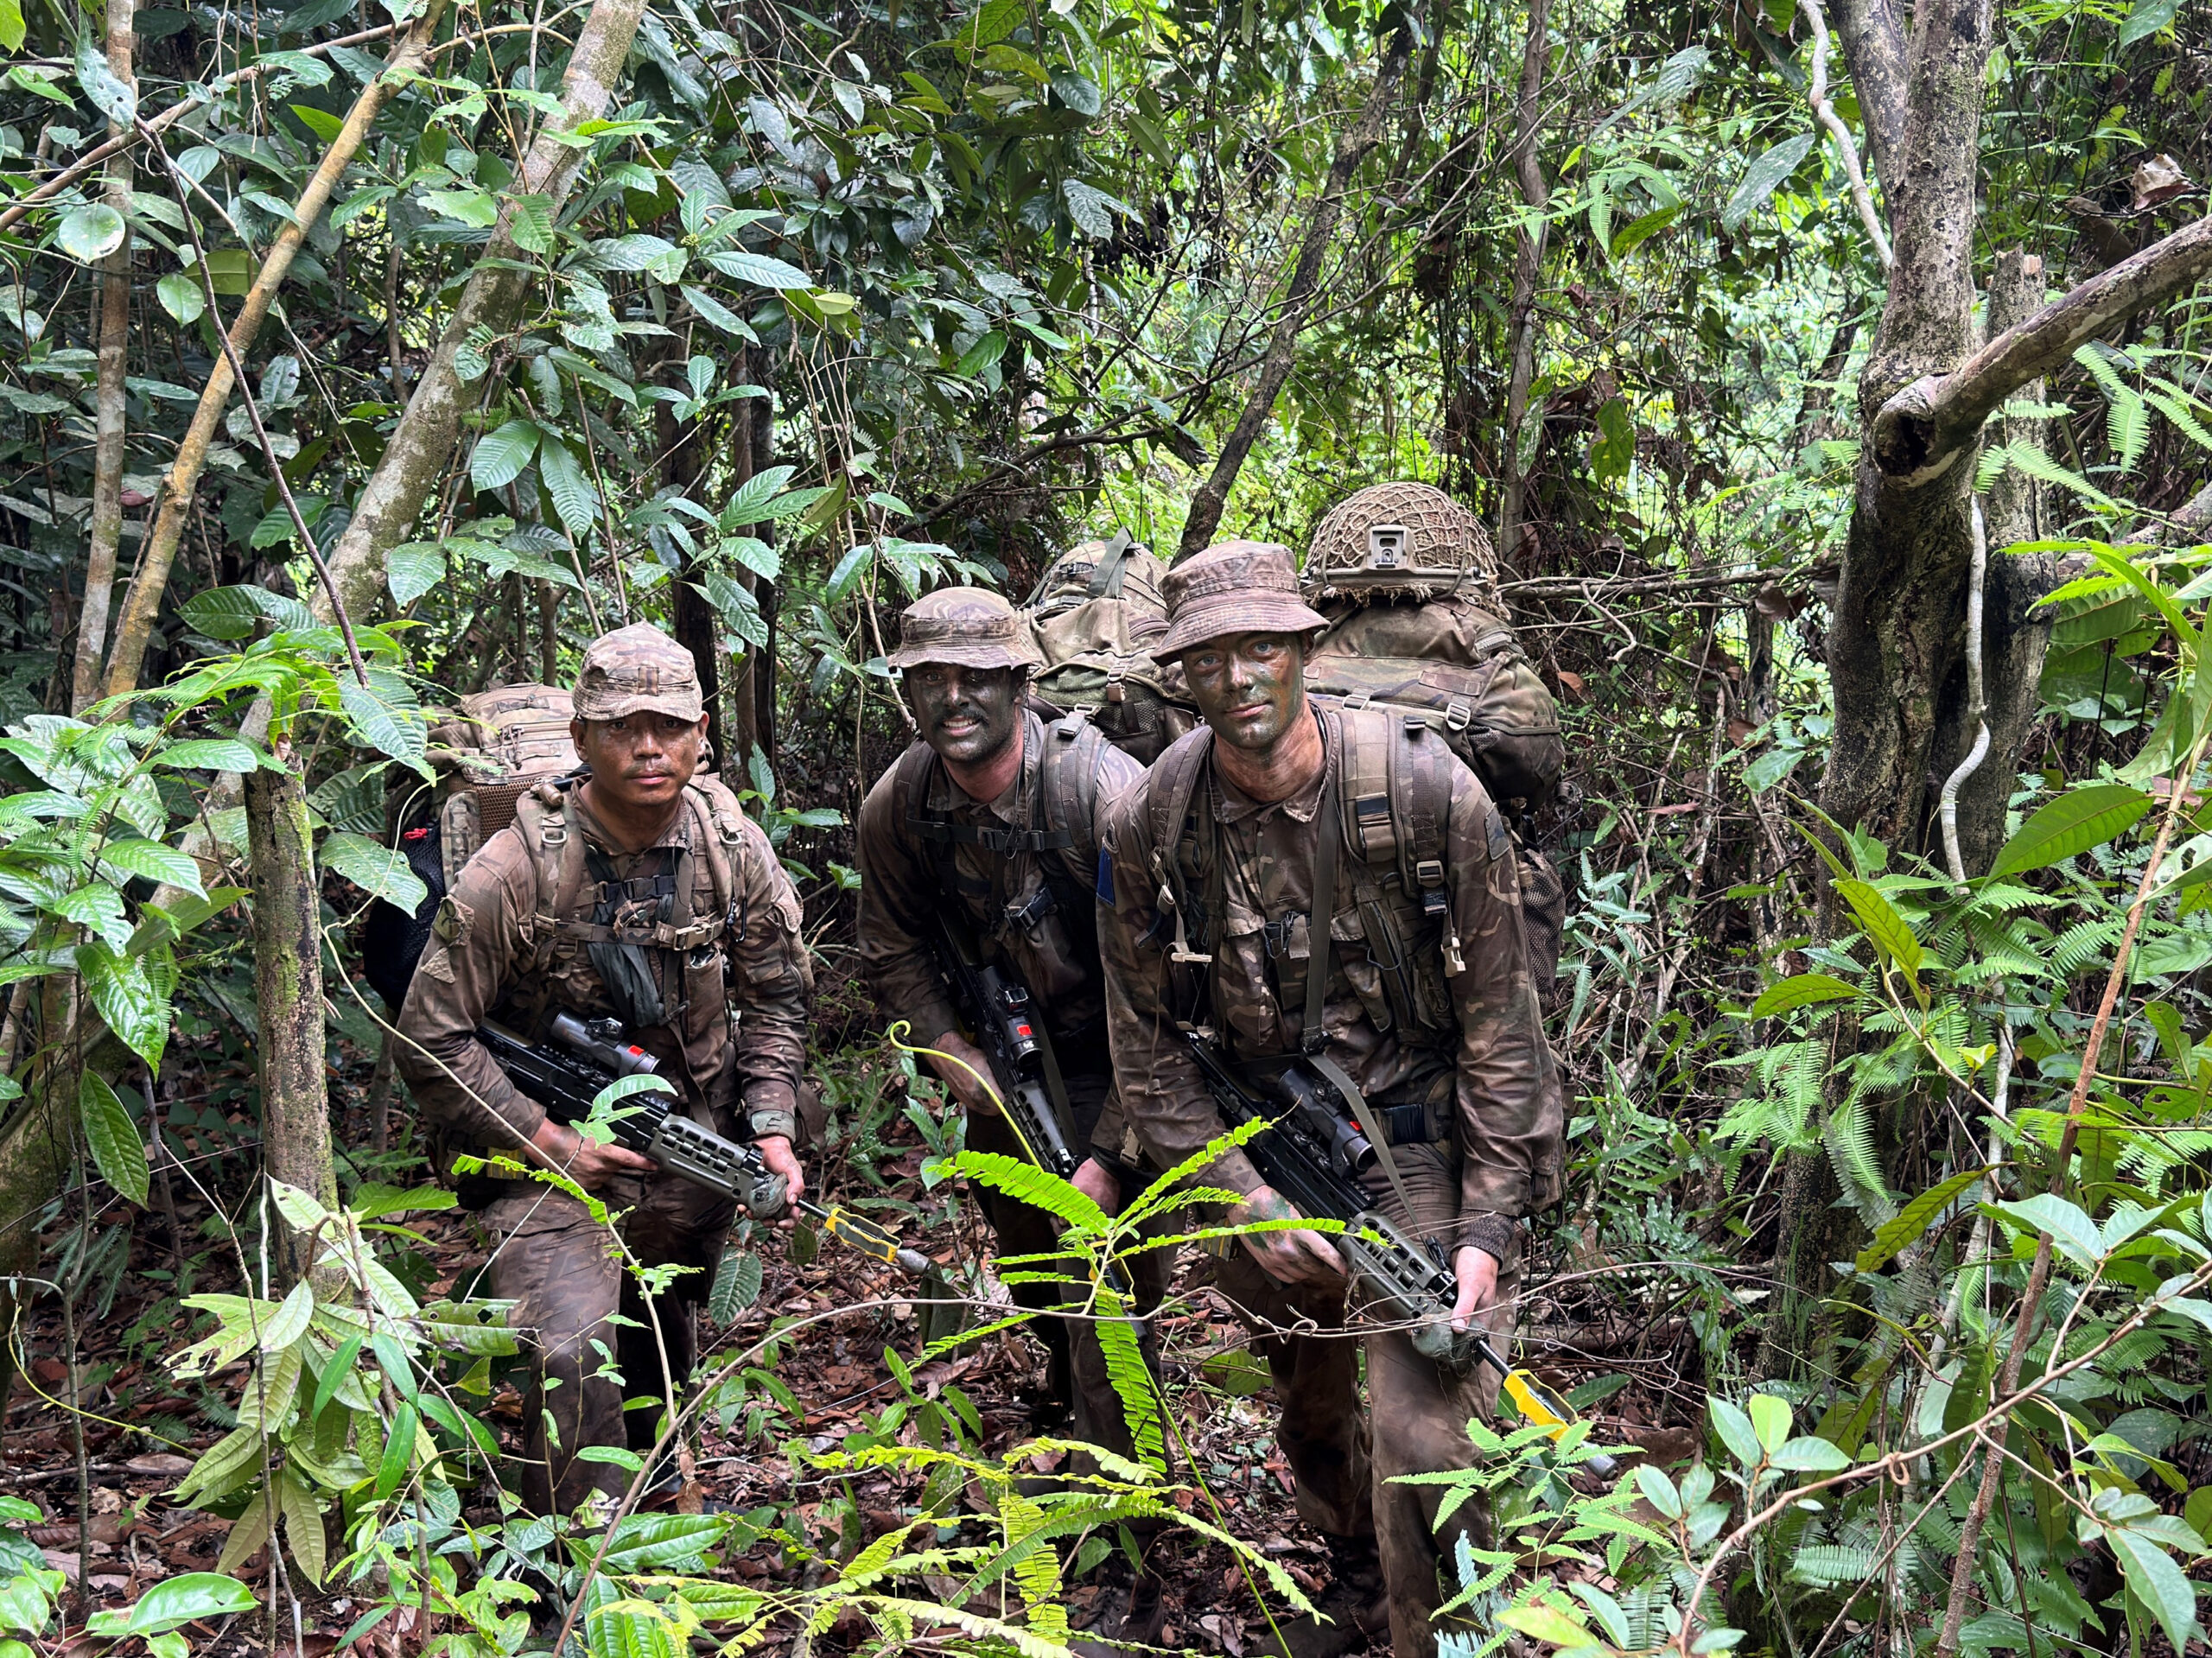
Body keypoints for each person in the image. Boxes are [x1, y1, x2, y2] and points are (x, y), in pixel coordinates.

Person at [1095, 541, 1563, 1658]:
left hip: (1413, 1144)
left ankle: (1441, 1635)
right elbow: (1146, 1050)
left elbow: (1504, 1025)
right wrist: (1242, 1191)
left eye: (1261, 646)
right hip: (1264, 1151)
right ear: (1181, 675)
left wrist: (1486, 1226)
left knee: (1428, 1441)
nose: (1237, 678)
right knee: (1311, 1411)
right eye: (1208, 658)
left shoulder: (1423, 788)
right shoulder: (1153, 820)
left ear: (1304, 647)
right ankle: (1354, 1572)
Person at [397, 622, 813, 1517]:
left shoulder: (730, 845)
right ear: (582, 736)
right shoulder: (517, 866)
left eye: (669, 726)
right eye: (623, 727)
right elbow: (431, 1035)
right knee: (573, 1348)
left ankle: (654, 1489)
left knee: (662, 1323)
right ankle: (580, 1556)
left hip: (684, 1136)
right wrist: (547, 1140)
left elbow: (779, 996)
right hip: (540, 1144)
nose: (648, 747)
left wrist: (772, 1122)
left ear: (702, 733)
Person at [855, 586, 1171, 1648]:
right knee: (1034, 1269)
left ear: (1020, 683)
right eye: (930, 679)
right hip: (1005, 1060)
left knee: (1101, 1281)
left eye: (976, 678)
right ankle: (1075, 1396)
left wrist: (1113, 1150)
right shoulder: (900, 805)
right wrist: (950, 1048)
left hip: (1126, 1054)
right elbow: (892, 947)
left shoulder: (1101, 793)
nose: (953, 698)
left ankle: (1122, 1528)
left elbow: (1164, 996)